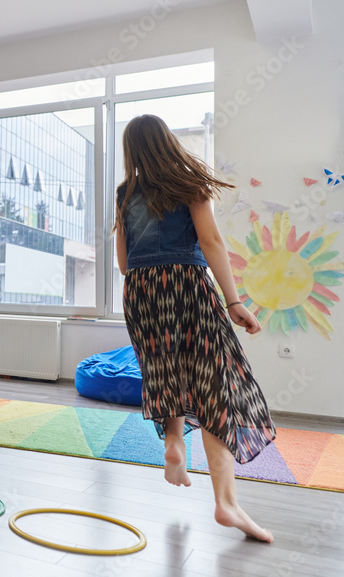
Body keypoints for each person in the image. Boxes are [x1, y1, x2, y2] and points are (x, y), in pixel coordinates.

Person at [115, 114, 275, 543]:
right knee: (214, 386)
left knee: (164, 370)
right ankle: (227, 503)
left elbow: (124, 263)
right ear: (168, 142)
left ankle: (174, 443)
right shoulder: (189, 184)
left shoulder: (124, 192)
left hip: (142, 292)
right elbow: (211, 242)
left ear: (131, 151)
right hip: (186, 284)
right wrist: (234, 301)